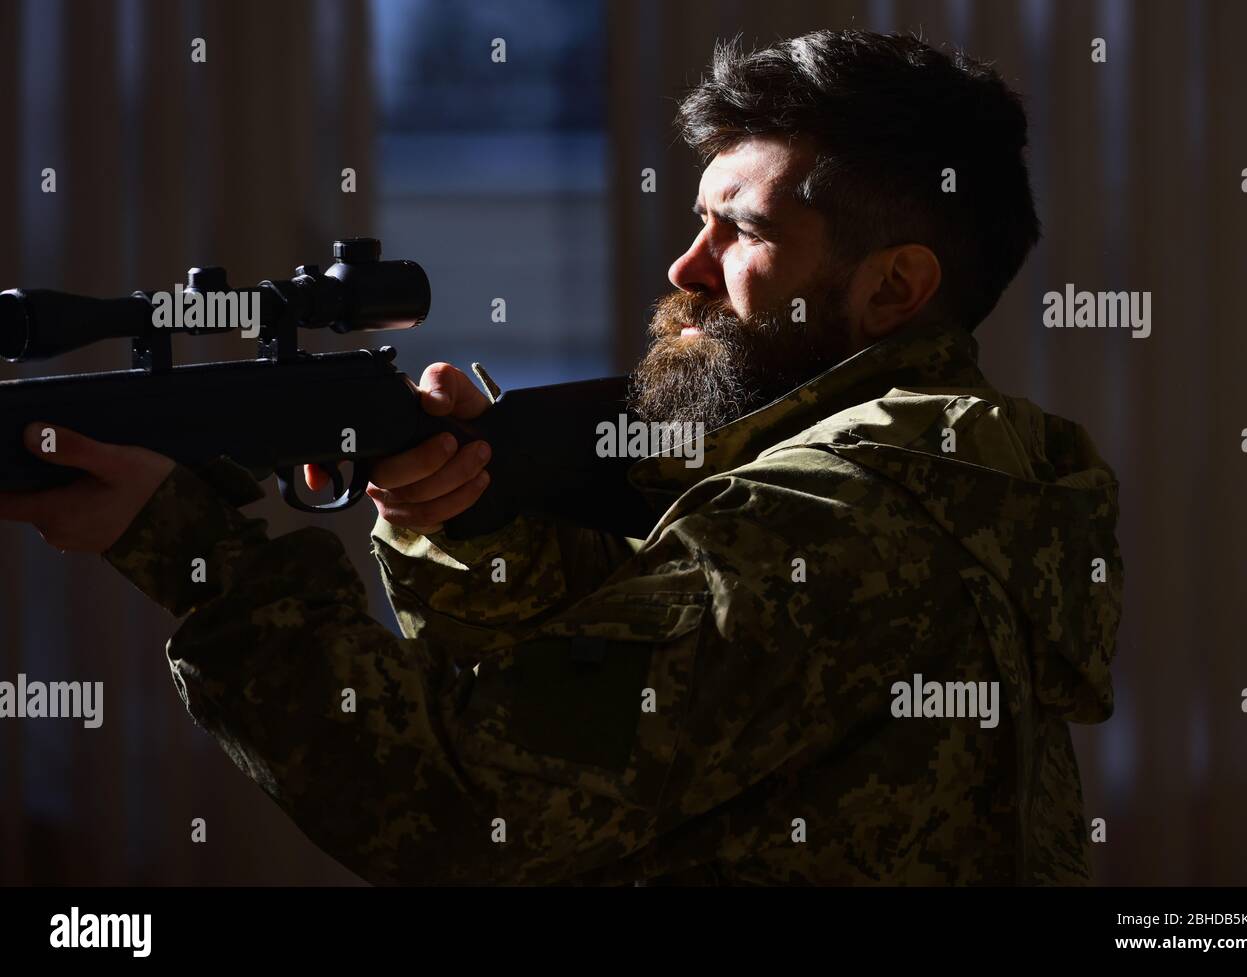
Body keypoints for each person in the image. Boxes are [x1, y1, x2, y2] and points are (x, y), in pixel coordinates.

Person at [0, 30, 1121, 884]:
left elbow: (468, 816)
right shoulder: (962, 463)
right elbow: (640, 738)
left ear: (895, 286)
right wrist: (475, 523)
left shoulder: (837, 516)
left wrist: (194, 552)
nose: (685, 267)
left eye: (744, 231)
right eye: (699, 219)